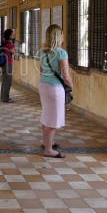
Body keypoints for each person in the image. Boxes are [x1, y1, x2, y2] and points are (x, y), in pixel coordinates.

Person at [38, 24, 73, 159]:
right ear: (59, 36)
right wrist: (71, 86)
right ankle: (48, 149)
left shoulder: (42, 52)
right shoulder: (61, 53)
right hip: (55, 88)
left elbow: (42, 70)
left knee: (46, 114)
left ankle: (47, 142)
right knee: (54, 118)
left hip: (43, 85)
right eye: (62, 34)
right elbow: (66, 74)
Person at [0, 28, 16, 102]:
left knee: (4, 80)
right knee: (8, 81)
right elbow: (13, 52)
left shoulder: (4, 42)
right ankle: (6, 98)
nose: (14, 35)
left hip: (3, 64)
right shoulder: (10, 44)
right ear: (9, 36)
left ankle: (2, 97)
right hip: (8, 63)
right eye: (12, 34)